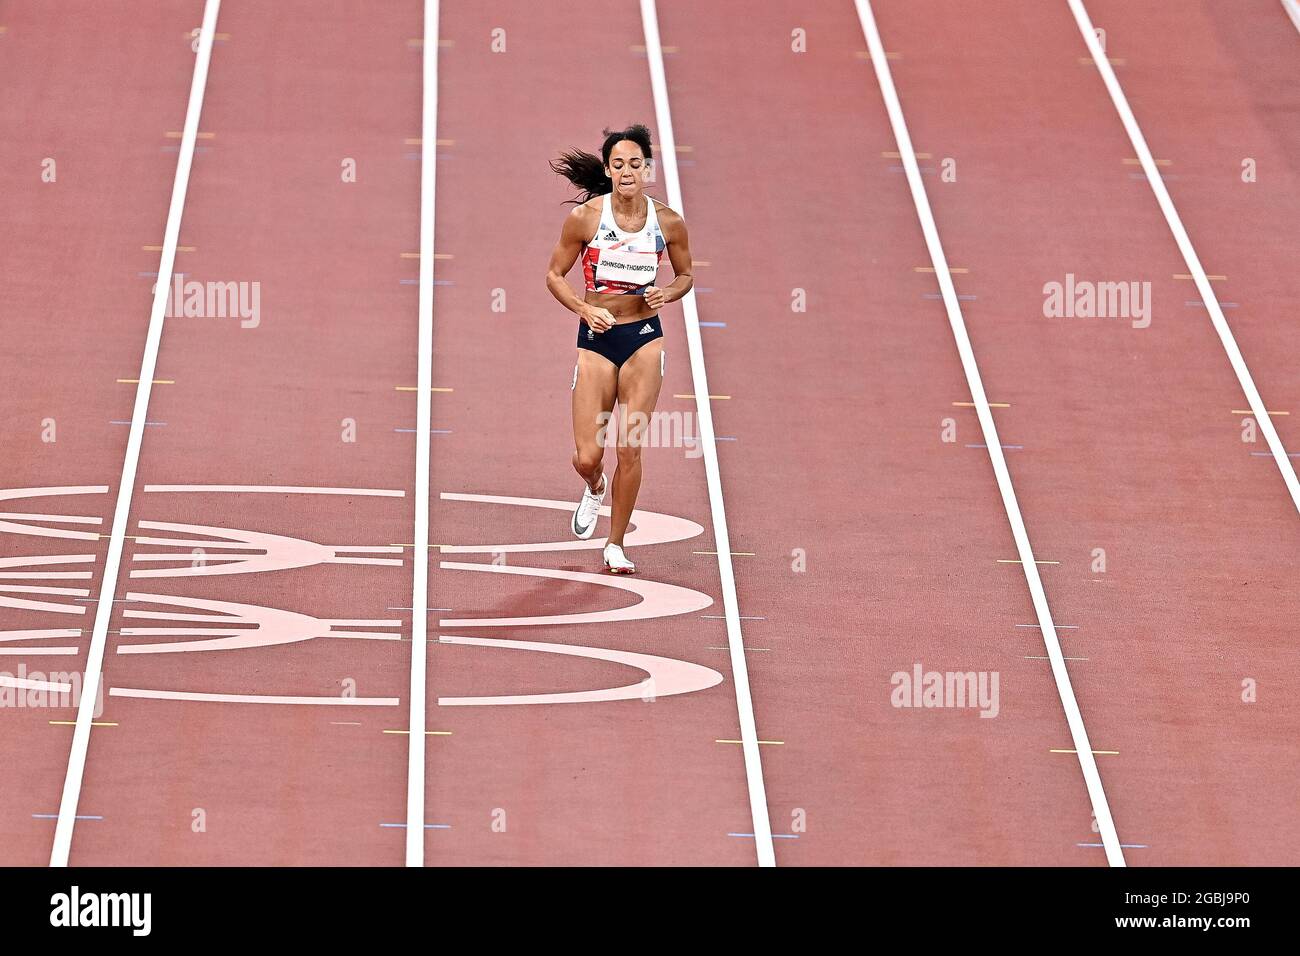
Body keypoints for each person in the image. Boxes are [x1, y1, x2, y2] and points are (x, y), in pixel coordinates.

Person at [545, 124, 693, 573]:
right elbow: (554, 275)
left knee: (630, 446)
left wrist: (667, 293)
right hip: (596, 340)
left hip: (644, 339)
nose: (627, 171)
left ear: (646, 169)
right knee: (587, 455)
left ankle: (615, 544)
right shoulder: (586, 218)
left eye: (635, 163)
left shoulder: (668, 222)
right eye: (618, 164)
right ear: (608, 170)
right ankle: (594, 486)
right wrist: (584, 311)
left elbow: (686, 275)